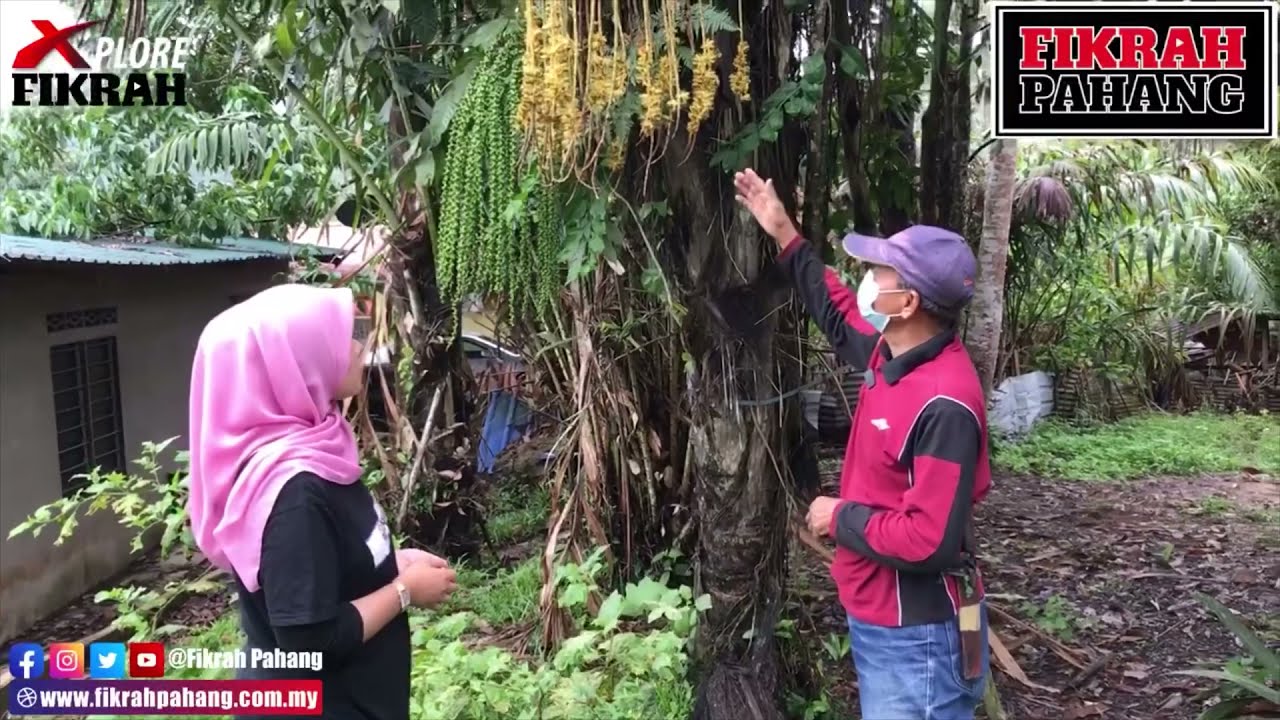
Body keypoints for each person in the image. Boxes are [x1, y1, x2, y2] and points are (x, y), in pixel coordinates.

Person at [734, 169, 992, 720]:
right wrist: (783, 232)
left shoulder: (944, 401)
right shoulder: (890, 356)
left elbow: (930, 540)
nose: (868, 279)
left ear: (907, 302)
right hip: (886, 622)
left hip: (917, 637)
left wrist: (840, 517)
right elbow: (837, 313)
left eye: (880, 272)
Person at [187, 284, 458, 719]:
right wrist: (405, 592)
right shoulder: (292, 492)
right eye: (342, 338)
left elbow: (328, 556)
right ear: (296, 364)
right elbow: (308, 642)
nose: (356, 349)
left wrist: (388, 562)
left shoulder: (318, 443)